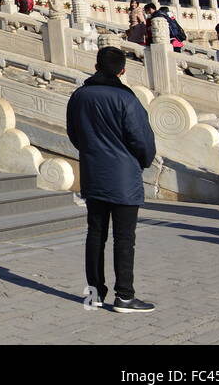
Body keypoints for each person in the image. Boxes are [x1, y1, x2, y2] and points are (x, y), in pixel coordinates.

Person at [66, 46, 157, 314]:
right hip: (124, 176)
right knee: (124, 237)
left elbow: (74, 133)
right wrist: (143, 159)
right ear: (122, 70)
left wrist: (92, 152)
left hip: (94, 173)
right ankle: (125, 297)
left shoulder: (79, 96)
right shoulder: (126, 99)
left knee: (95, 234)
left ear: (96, 66)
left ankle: (94, 294)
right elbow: (141, 139)